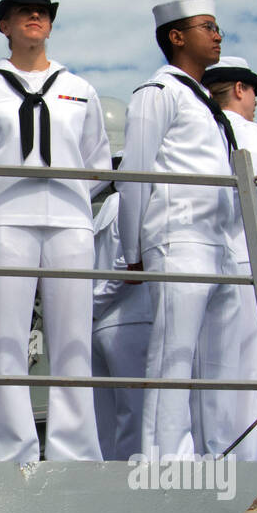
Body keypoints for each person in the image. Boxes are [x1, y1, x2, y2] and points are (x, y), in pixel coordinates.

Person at [0, 0, 109, 463]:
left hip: (70, 224)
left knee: (73, 340)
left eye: (42, 12)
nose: (34, 18)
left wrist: (73, 200)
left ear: (50, 23)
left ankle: (75, 452)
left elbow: (98, 164)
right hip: (5, 222)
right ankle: (8, 452)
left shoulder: (79, 90)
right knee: (4, 340)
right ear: (4, 25)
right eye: (23, 12)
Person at [118, 0, 240, 458]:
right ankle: (163, 456)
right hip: (179, 237)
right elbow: (136, 175)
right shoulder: (159, 92)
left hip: (218, 243)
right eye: (207, 26)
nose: (217, 35)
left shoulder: (204, 102)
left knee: (215, 361)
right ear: (176, 36)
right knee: (174, 353)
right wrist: (134, 249)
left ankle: (216, 452)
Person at [204, 56, 257, 460]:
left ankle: (215, 455)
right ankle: (248, 462)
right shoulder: (247, 130)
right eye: (252, 92)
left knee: (214, 370)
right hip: (252, 264)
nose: (255, 101)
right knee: (252, 372)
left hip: (214, 260)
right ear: (238, 89)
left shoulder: (207, 130)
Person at [90, 101, 153, 460]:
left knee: (108, 422)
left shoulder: (96, 215)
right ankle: (139, 487)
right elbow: (126, 266)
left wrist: (88, 312)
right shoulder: (125, 206)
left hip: (100, 328)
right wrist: (93, 306)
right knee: (139, 416)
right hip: (131, 321)